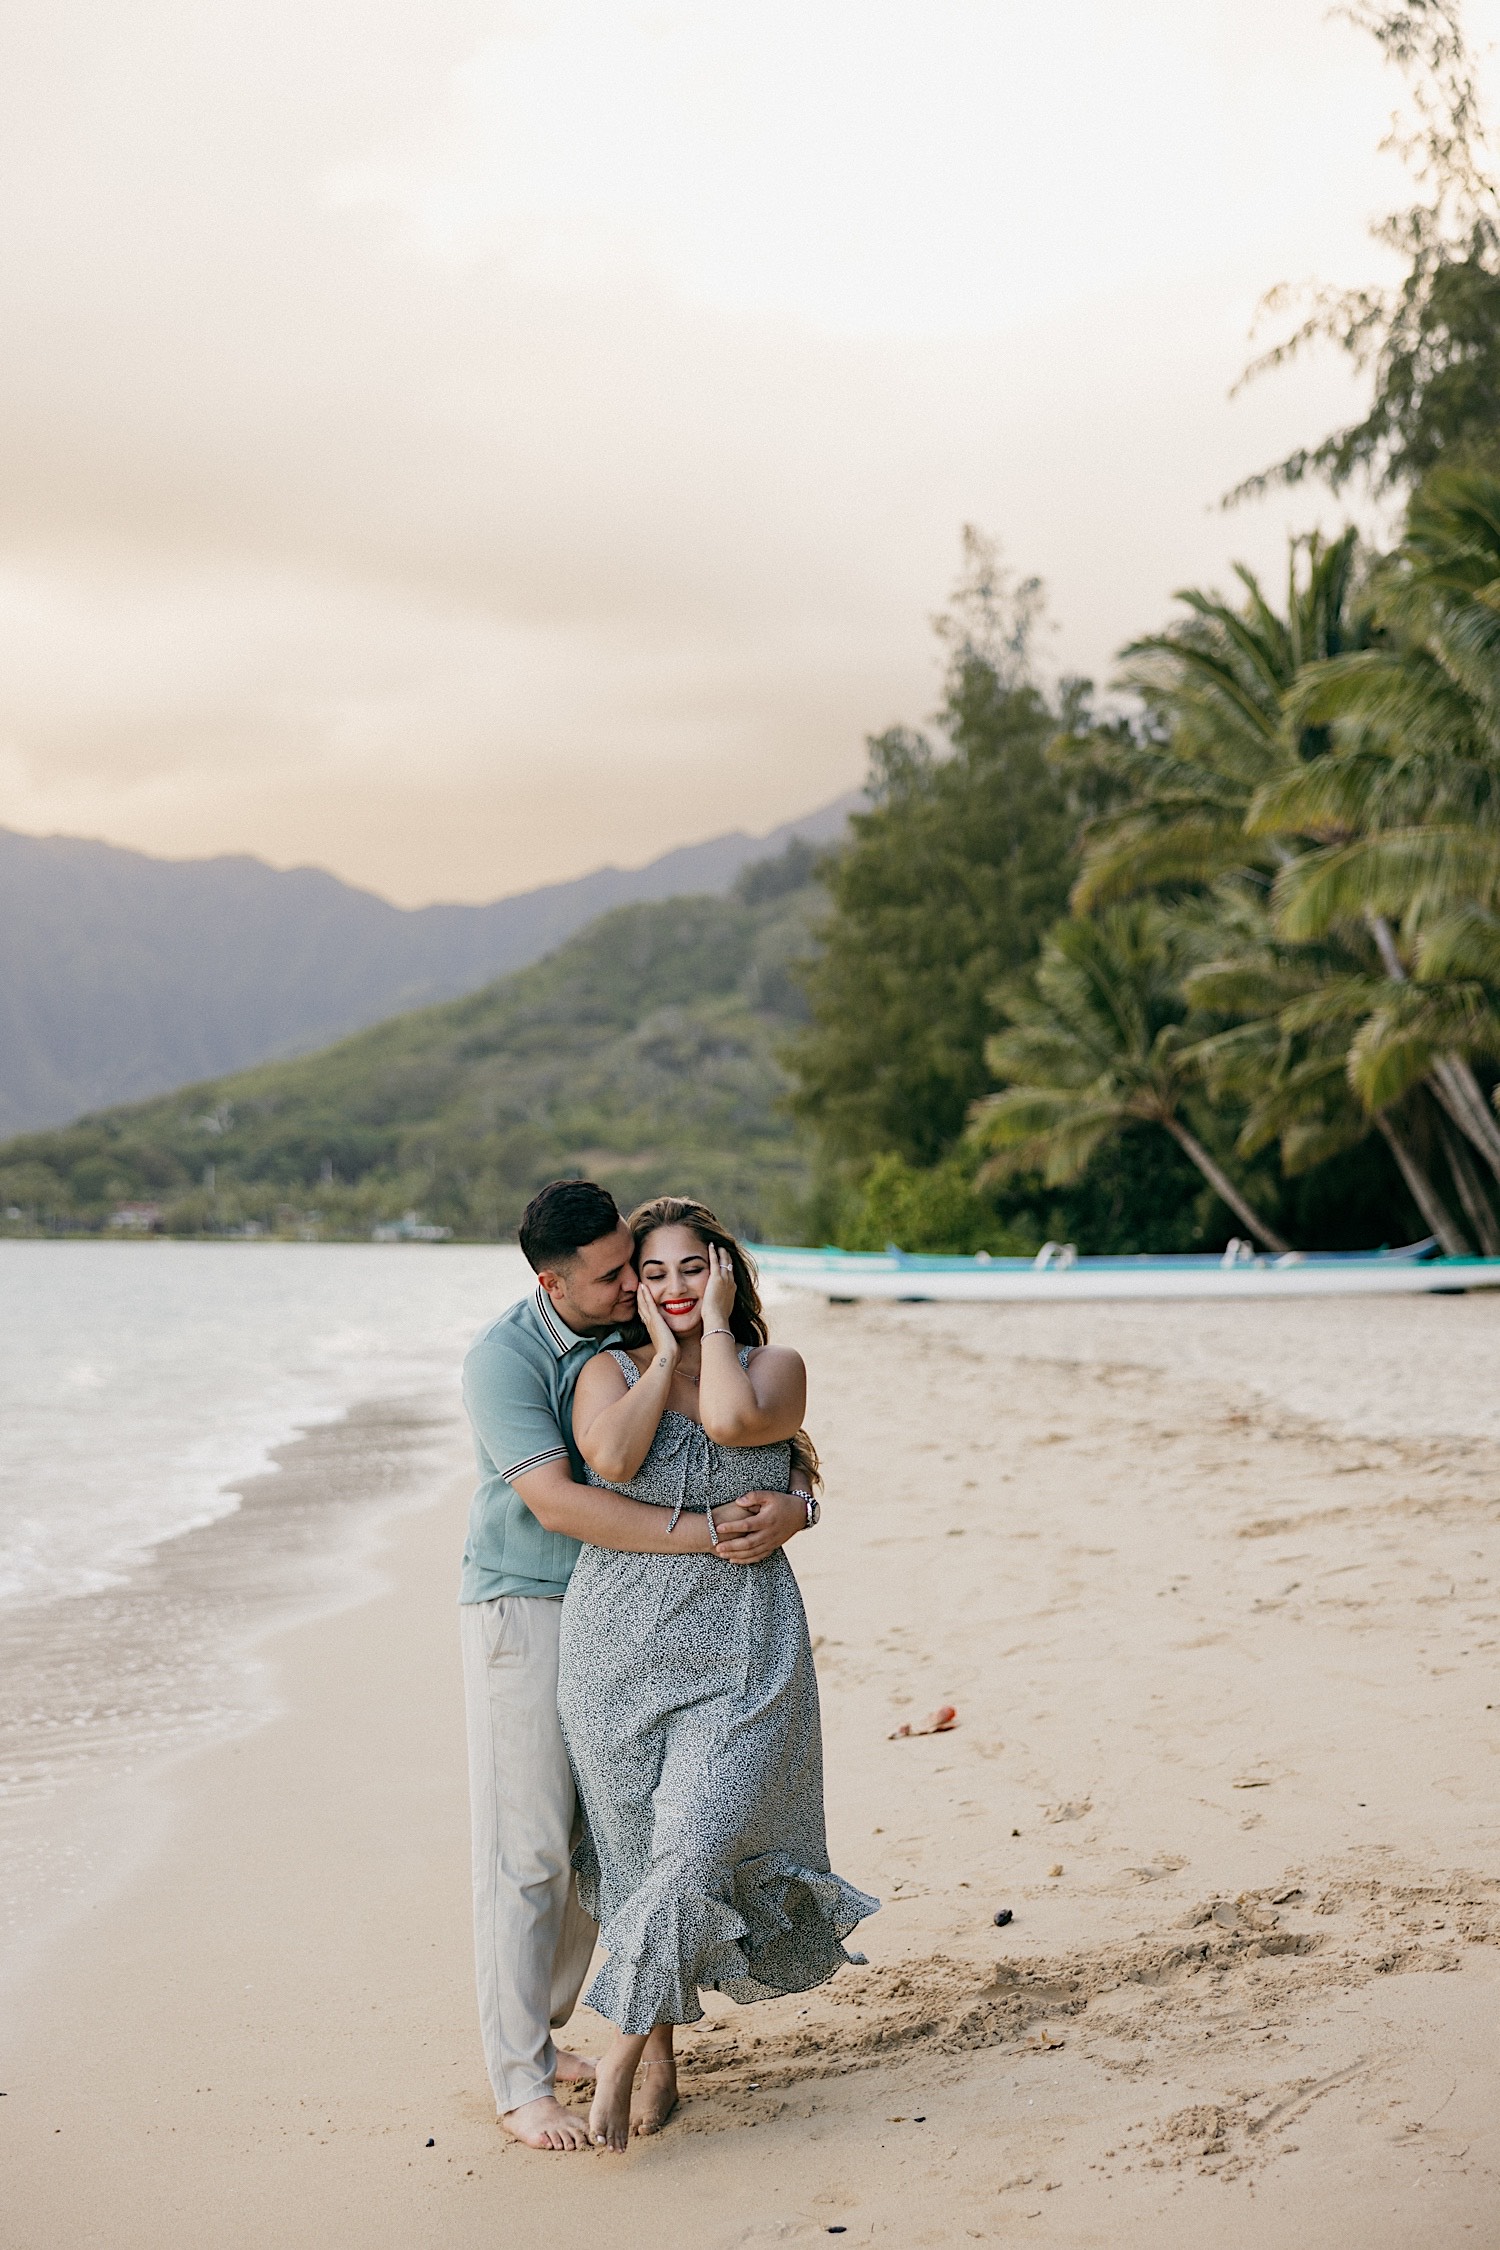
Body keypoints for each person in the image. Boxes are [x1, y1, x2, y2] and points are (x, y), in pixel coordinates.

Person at [460, 1180, 809, 2152]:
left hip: (665, 1616)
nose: (636, 1286)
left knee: (606, 1852)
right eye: (621, 1273)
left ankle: (589, 2029)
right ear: (553, 1281)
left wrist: (797, 1513)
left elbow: (769, 1454)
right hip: (530, 1603)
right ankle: (522, 2074)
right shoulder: (511, 1359)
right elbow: (570, 1503)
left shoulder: (711, 1348)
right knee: (530, 1848)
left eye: (649, 1266)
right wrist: (712, 1532)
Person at [559, 1195, 878, 2151]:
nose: (669, 1288)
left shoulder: (775, 1366)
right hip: (615, 1647)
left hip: (742, 1643)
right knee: (635, 1860)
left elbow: (738, 1422)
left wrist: (717, 1336)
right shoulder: (605, 1373)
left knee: (692, 1844)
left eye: (690, 1269)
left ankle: (615, 2048)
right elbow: (610, 1455)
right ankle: (658, 2049)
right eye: (650, 1275)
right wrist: (660, 1357)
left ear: (726, 1272)